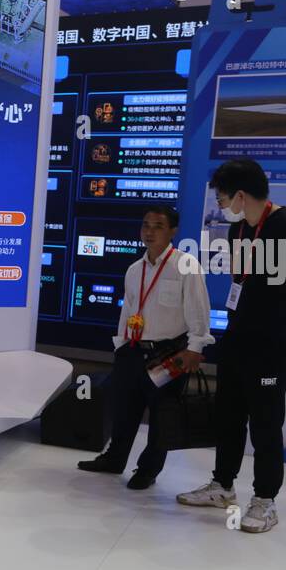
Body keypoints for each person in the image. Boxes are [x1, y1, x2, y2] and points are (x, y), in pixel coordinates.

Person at [176, 159, 286, 533]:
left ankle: (265, 500)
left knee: (266, 424)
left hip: (271, 347)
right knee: (229, 417)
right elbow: (248, 286)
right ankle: (223, 486)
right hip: (238, 339)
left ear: (241, 194)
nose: (221, 205)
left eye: (223, 198)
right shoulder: (237, 229)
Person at [78, 205, 212, 489]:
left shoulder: (185, 265)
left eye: (158, 226)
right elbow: (127, 310)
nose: (149, 232)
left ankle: (148, 470)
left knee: (163, 415)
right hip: (133, 349)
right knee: (124, 410)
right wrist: (121, 344)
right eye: (146, 225)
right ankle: (114, 459)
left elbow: (199, 311)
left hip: (169, 354)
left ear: (173, 231)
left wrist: (196, 347)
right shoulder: (134, 269)